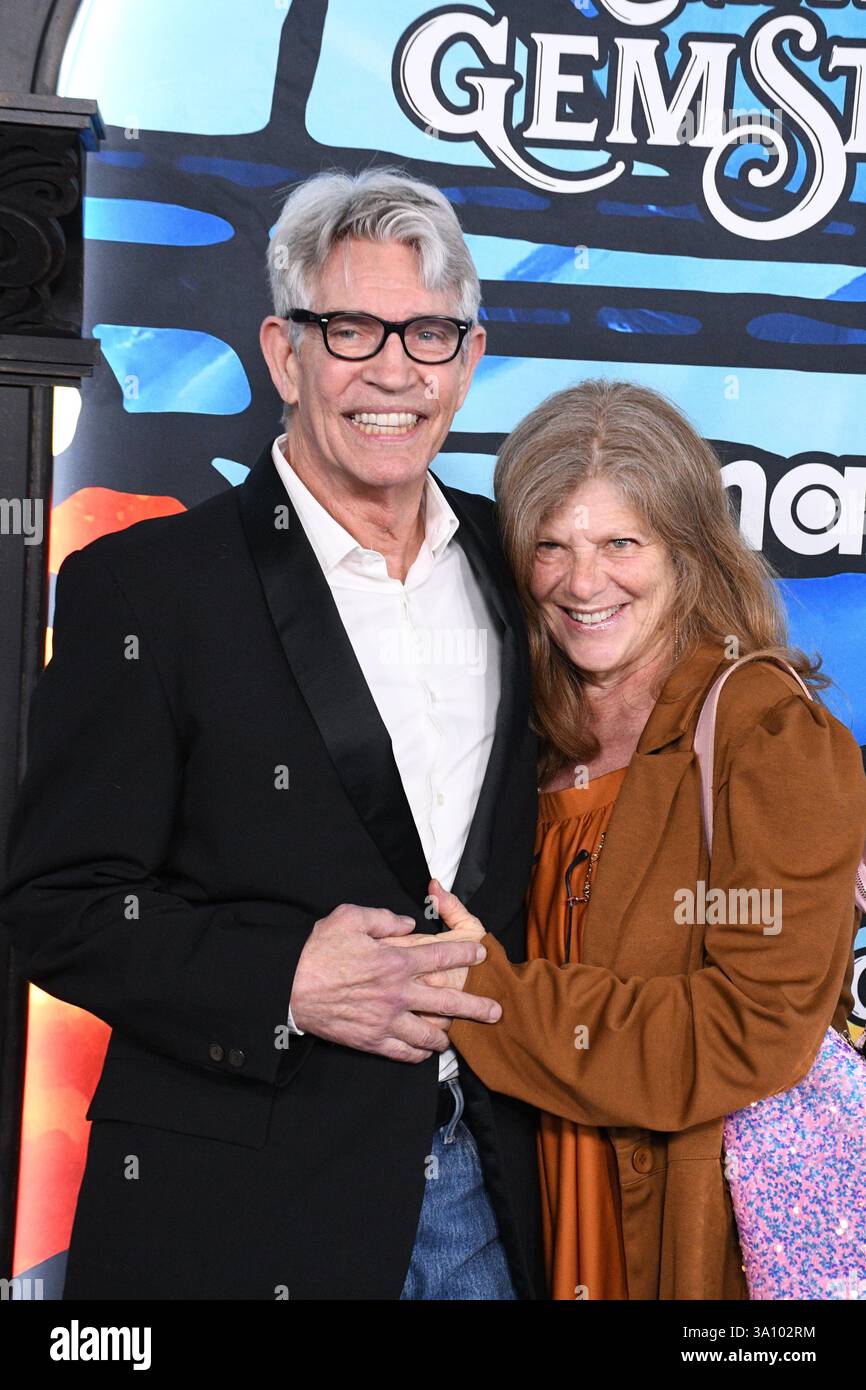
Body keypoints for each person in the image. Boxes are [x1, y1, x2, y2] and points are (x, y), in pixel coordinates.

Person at [0, 167, 546, 1300]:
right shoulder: (148, 588)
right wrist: (284, 979)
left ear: (470, 356)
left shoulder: (528, 568)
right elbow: (56, 902)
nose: (392, 370)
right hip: (240, 1210)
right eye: (351, 329)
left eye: (428, 334)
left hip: (491, 1194)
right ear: (282, 352)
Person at [413, 379, 866, 1300]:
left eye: (622, 543)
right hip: (521, 1220)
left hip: (691, 1239)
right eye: (553, 546)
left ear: (689, 550)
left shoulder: (769, 734)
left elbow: (751, 1032)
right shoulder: (513, 734)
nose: (585, 583)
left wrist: (485, 996)